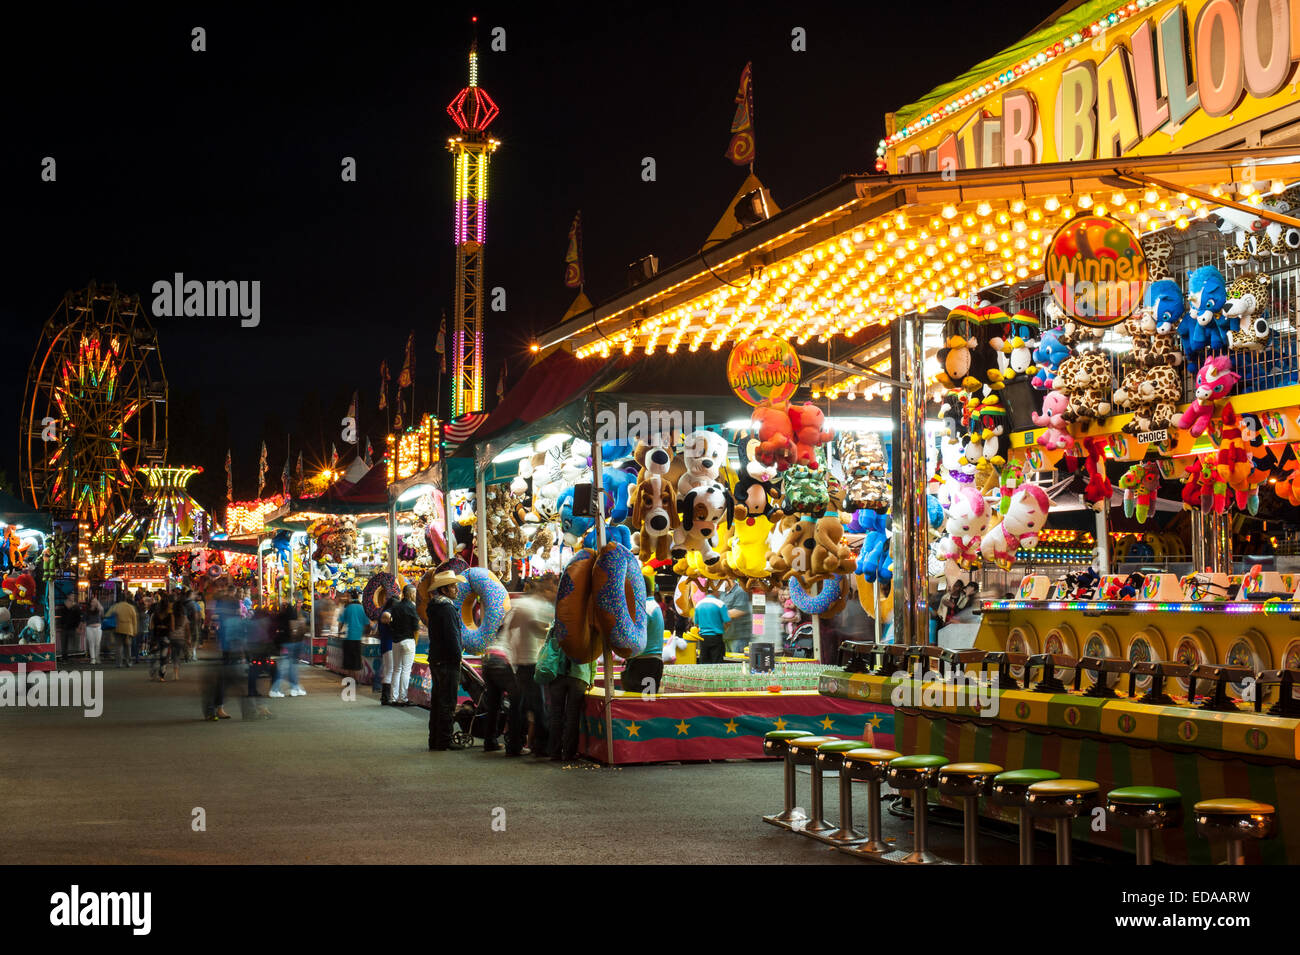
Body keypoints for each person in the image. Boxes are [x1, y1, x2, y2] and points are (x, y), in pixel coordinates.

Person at [507, 576, 554, 757]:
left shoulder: (522, 605)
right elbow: (537, 630)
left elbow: (510, 629)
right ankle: (541, 747)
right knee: (538, 707)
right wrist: (552, 631)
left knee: (520, 707)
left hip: (521, 663)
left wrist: (513, 652)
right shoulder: (535, 607)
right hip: (532, 663)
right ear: (542, 589)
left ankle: (515, 745)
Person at [426, 570, 467, 751]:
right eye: (453, 586)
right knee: (447, 702)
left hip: (436, 659)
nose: (456, 589)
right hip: (448, 661)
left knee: (437, 700)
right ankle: (444, 739)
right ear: (444, 589)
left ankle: (434, 739)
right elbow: (452, 636)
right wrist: (458, 657)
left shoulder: (434, 607)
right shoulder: (447, 608)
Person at [547, 636, 593, 764]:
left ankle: (554, 752)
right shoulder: (585, 628)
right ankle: (569, 753)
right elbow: (592, 654)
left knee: (556, 714)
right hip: (579, 675)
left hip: (557, 673)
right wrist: (592, 677)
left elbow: (547, 648)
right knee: (572, 716)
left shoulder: (555, 627)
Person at [480, 614, 516, 753]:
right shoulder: (516, 627)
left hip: (489, 660)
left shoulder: (501, 627)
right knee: (516, 703)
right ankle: (514, 742)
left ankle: (489, 741)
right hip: (502, 661)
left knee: (493, 705)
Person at [622, 590, 665, 695]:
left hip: (642, 663)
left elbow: (632, 635)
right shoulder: (654, 606)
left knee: (637, 703)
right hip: (654, 662)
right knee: (647, 702)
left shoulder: (643, 608)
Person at [389, 584, 421, 706]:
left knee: (396, 669)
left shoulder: (396, 607)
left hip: (396, 641)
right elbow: (416, 629)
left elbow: (391, 624)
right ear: (410, 594)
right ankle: (403, 698)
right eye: (414, 593)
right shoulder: (413, 608)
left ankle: (393, 698)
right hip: (408, 641)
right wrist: (415, 643)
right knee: (406, 670)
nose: (415, 595)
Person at [271, 598, 306, 697]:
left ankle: (294, 687)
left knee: (290, 666)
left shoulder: (281, 615)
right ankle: (275, 689)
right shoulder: (292, 614)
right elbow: (293, 629)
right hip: (289, 643)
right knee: (286, 667)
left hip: (284, 643)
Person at [338, 590, 369, 684]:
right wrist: (365, 634)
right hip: (358, 638)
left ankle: (349, 680)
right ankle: (356, 679)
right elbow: (366, 623)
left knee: (348, 660)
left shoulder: (348, 608)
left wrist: (339, 631)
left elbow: (341, 621)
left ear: (350, 597)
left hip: (349, 637)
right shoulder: (361, 608)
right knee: (356, 660)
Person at [693, 589, 729, 664]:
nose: (719, 593)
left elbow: (696, 623)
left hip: (703, 638)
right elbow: (727, 621)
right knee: (717, 661)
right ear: (715, 591)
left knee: (704, 661)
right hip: (716, 637)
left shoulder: (698, 604)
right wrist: (724, 629)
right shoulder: (720, 604)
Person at [721, 579, 754, 655]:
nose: (720, 583)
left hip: (738, 637)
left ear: (730, 579)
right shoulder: (722, 593)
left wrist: (717, 613)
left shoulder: (740, 591)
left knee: (737, 662)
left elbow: (739, 611)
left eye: (722, 580)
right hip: (727, 636)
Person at [374, 596, 397, 704]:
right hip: (389, 645)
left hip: (386, 644)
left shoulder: (384, 613)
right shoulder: (387, 614)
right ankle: (386, 697)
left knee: (388, 669)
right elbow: (390, 624)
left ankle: (386, 696)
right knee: (390, 670)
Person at [109, 593, 139, 669]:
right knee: (128, 646)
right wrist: (135, 631)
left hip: (118, 629)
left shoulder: (115, 607)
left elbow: (108, 616)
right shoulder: (130, 607)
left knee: (118, 647)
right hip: (128, 629)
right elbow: (134, 620)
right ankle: (128, 662)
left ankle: (118, 663)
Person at [58, 594, 81, 664]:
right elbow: (61, 616)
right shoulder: (63, 606)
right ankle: (65, 657)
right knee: (64, 643)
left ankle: (75, 655)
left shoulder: (76, 607)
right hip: (65, 627)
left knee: (73, 642)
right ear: (68, 596)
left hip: (72, 627)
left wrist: (77, 626)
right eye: (71, 596)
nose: (73, 597)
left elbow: (78, 617)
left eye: (73, 596)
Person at [83, 595, 104, 665]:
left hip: (98, 627)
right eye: (93, 601)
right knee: (91, 644)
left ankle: (97, 657)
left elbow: (102, 610)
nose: (94, 603)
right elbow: (84, 620)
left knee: (97, 644)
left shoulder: (99, 609)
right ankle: (93, 658)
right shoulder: (87, 610)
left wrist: (97, 603)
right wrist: (82, 628)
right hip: (89, 628)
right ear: (90, 602)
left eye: (95, 601)